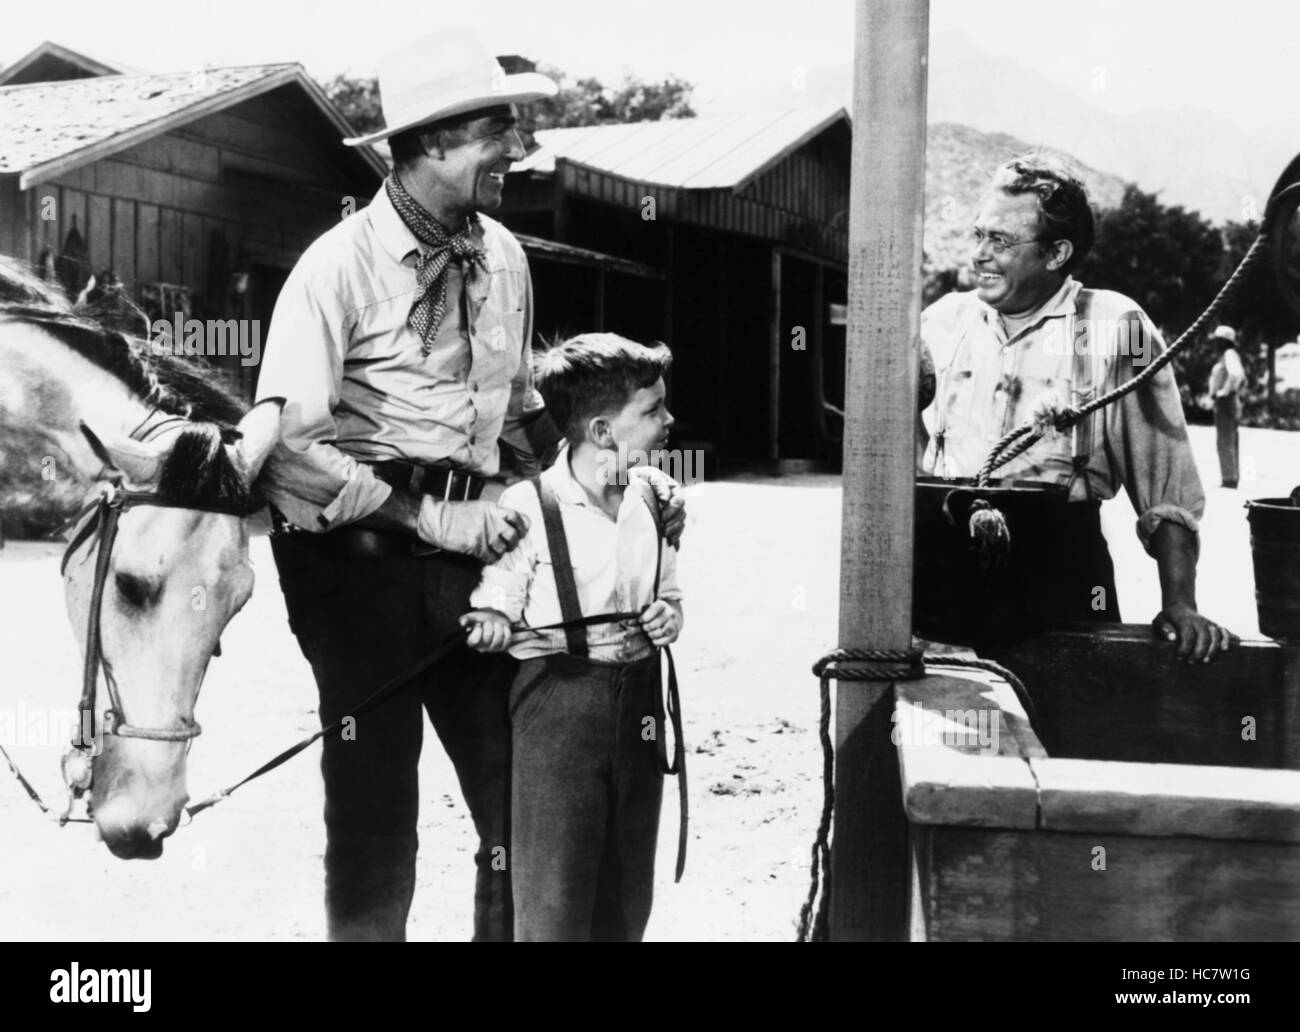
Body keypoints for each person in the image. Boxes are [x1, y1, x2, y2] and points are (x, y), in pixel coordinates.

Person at [255, 30, 683, 942]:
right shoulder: (336, 266)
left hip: (482, 567)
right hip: (354, 565)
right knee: (374, 810)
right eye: (499, 130)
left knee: (517, 796)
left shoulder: (506, 258)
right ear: (433, 141)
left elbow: (524, 410)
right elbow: (290, 445)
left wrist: (605, 490)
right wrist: (424, 516)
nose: (519, 151)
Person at [918, 153, 1234, 663]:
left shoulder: (1118, 326)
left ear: (1056, 252)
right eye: (978, 235)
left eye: (999, 240)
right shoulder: (941, 323)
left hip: (1061, 579)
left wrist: (1180, 603)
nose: (978, 254)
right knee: (940, 725)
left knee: (1064, 725)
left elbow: (1166, 479)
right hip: (945, 576)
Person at [461, 333, 683, 942]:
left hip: (640, 702)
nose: (669, 419)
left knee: (626, 883)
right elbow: (499, 597)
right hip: (556, 707)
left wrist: (668, 616)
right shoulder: (529, 504)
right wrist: (492, 623)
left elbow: (672, 594)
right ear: (604, 432)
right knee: (553, 887)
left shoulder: (653, 500)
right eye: (653, 409)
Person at [1208, 324, 1246, 488]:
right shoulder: (1229, 355)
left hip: (1226, 401)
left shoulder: (1229, 355)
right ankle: (1232, 476)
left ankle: (1229, 478)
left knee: (1224, 440)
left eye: (1218, 341)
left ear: (1224, 342)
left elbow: (1236, 374)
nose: (1215, 344)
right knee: (1230, 438)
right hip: (1230, 400)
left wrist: (1224, 391)